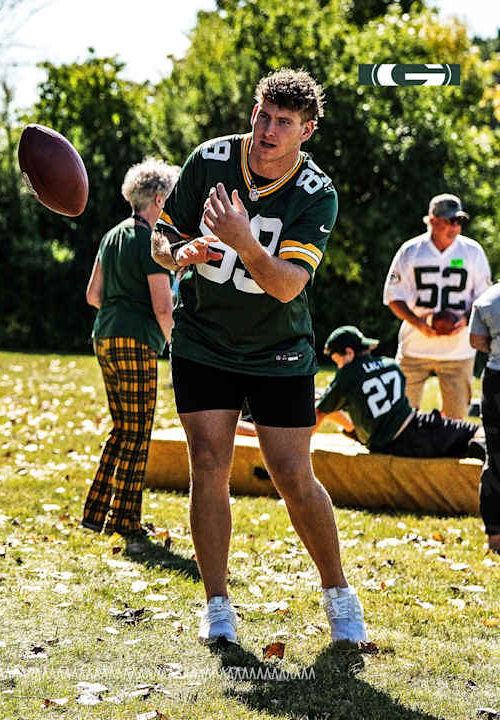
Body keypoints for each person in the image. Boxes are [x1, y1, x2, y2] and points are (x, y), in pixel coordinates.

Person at [150, 68, 367, 646]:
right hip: (204, 339)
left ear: (307, 131)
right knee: (209, 465)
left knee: (294, 475)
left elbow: (288, 285)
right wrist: (178, 254)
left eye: (285, 123)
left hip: (278, 345)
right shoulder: (210, 160)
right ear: (254, 112)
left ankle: (338, 591)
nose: (269, 130)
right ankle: (217, 603)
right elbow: (161, 239)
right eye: (264, 116)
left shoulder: (316, 192)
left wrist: (243, 239)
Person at [82, 158, 178, 538]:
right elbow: (162, 305)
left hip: (103, 335)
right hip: (136, 340)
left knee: (122, 428)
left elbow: (93, 295)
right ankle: (126, 520)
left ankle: (97, 512)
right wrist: (178, 348)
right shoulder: (151, 240)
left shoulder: (112, 235)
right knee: (138, 432)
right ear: (158, 199)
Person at [382, 193, 491, 420]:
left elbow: (484, 298)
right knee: (399, 420)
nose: (455, 226)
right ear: (432, 220)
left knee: (456, 421)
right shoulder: (411, 250)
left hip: (458, 350)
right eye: (449, 220)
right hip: (415, 347)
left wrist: (465, 320)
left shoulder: (472, 252)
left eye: (459, 221)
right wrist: (419, 323)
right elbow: (393, 296)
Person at [313, 326, 485, 459]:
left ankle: (483, 449)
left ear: (349, 353)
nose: (338, 366)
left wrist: (300, 448)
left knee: (323, 403)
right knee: (470, 430)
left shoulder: (348, 374)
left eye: (337, 360)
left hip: (385, 440)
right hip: (410, 430)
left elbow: (319, 412)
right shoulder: (390, 364)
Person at [468, 285, 500, 553]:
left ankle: (495, 537)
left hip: (496, 380)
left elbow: (476, 341)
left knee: (496, 457)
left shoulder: (488, 298)